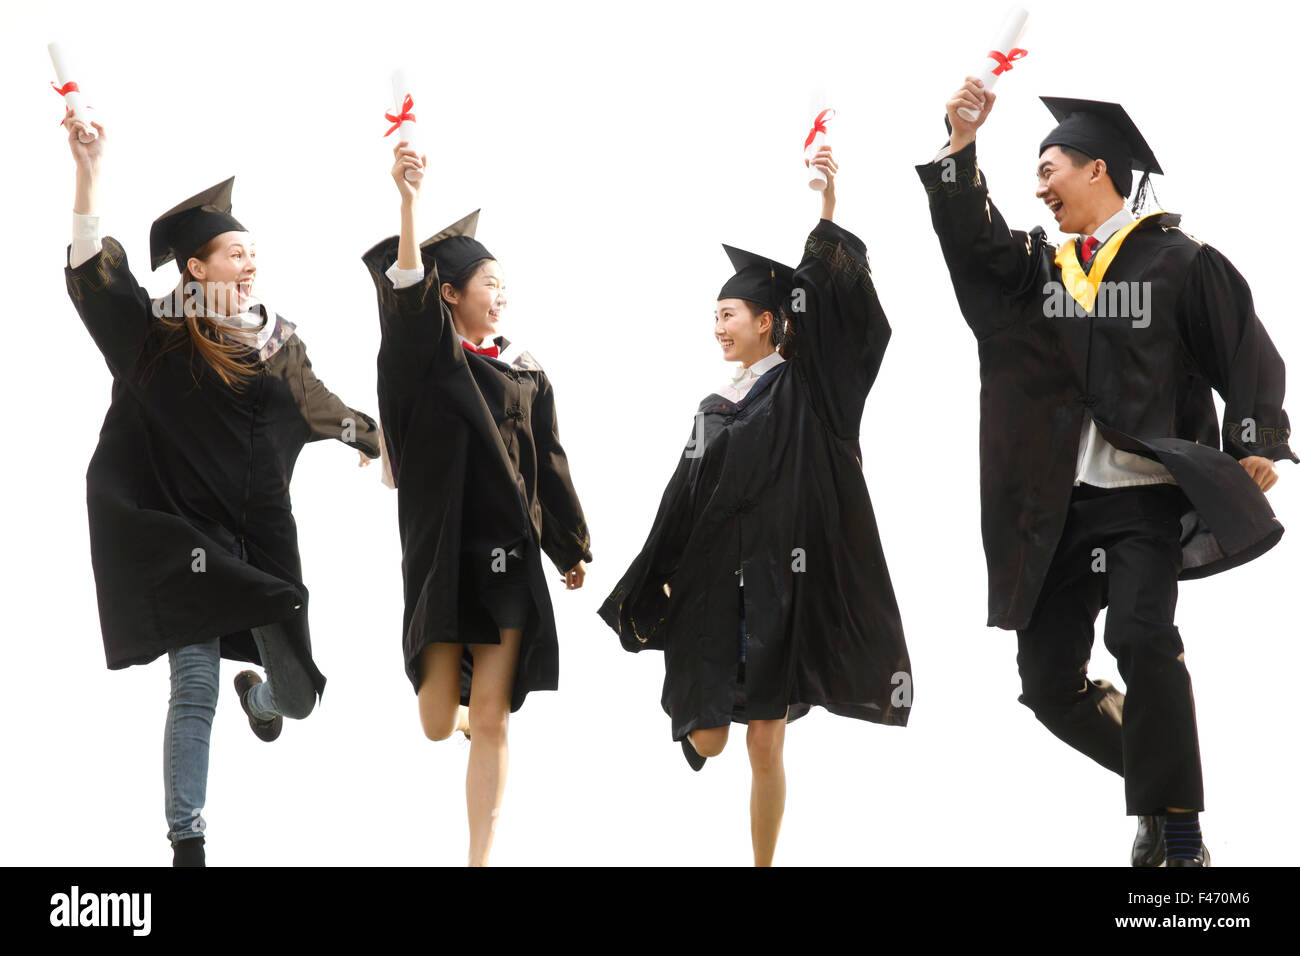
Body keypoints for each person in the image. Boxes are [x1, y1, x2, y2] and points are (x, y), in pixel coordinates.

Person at [917, 80, 1295, 866]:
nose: (1038, 185)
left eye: (1049, 166)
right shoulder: (1036, 273)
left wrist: (1252, 439)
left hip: (1143, 501)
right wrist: (960, 146)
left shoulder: (1178, 263)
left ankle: (1179, 832)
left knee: (1139, 633)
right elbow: (970, 239)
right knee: (1049, 686)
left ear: (1098, 170)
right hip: (1055, 506)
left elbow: (1244, 353)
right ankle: (1160, 779)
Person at [62, 120, 382, 866]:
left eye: (254, 256)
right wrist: (89, 177)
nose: (250, 267)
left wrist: (375, 440)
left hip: (258, 538)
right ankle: (188, 839)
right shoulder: (157, 339)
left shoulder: (278, 343)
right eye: (236, 254)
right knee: (193, 680)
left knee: (300, 695)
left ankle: (263, 698)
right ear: (196, 267)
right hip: (183, 540)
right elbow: (94, 277)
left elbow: (320, 404)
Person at [598, 146, 911, 866]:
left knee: (765, 739)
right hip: (712, 587)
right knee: (708, 738)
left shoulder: (809, 392)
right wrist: (661, 576)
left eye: (728, 313)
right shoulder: (714, 407)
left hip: (777, 586)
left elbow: (841, 325)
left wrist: (826, 214)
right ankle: (703, 723)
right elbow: (679, 500)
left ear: (769, 322)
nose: (716, 326)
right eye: (713, 314)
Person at [361, 143, 592, 866]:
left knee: (491, 719)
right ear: (451, 293)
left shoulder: (526, 371)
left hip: (511, 554)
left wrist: (570, 545)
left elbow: (547, 462)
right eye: (488, 282)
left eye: (503, 282)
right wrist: (408, 206)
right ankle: (448, 708)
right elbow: (405, 303)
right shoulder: (428, 363)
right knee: (438, 722)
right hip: (444, 553)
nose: (501, 293)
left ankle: (479, 857)